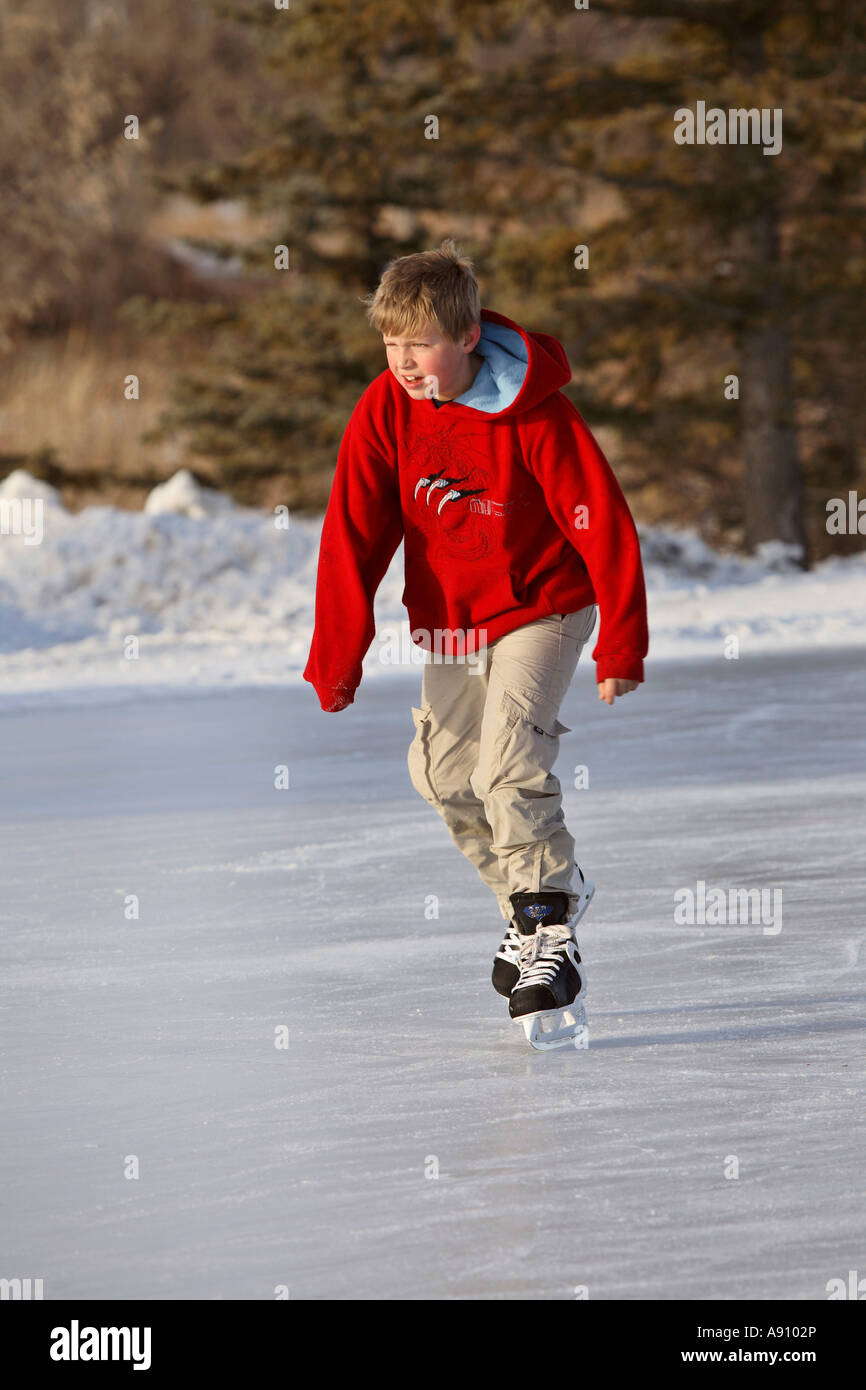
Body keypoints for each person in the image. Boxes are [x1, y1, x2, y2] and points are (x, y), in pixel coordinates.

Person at [303, 240, 648, 1049]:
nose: (403, 363)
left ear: (466, 337)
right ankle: (530, 908)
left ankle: (550, 933)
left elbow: (600, 517)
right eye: (390, 346)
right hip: (455, 621)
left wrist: (622, 641)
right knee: (442, 776)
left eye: (418, 345)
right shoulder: (384, 411)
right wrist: (337, 651)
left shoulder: (532, 409)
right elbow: (353, 532)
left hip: (544, 607)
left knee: (507, 769)